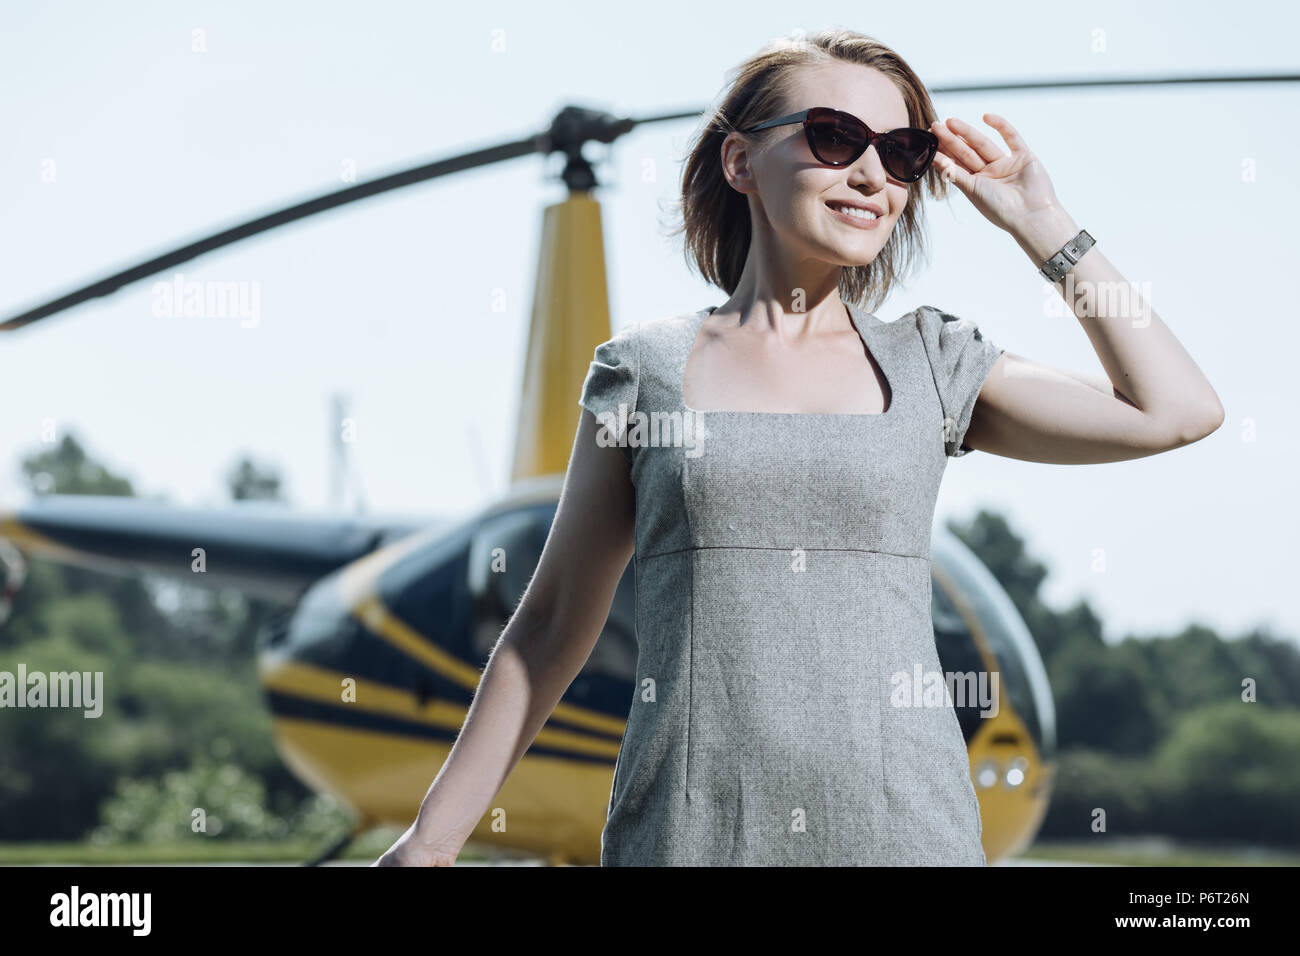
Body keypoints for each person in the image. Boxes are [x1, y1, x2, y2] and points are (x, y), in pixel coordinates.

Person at [375, 28, 1223, 866]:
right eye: (834, 137)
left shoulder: (935, 363)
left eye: (901, 153)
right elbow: (552, 624)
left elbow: (1176, 410)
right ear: (740, 163)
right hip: (686, 839)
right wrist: (432, 841)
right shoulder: (643, 373)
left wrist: (1044, 224)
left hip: (909, 841)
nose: (870, 174)